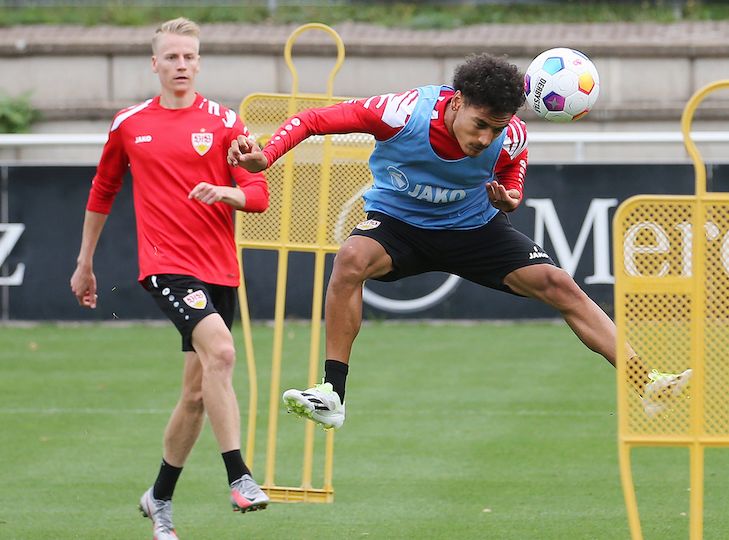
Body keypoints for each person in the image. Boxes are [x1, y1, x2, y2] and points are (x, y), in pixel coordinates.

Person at [227, 53, 691, 430]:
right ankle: (332, 394)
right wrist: (264, 155)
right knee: (350, 258)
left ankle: (646, 383)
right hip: (398, 223)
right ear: (456, 101)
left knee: (558, 283)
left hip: (471, 229)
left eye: (497, 127)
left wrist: (510, 200)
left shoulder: (510, 135)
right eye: (481, 124)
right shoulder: (403, 112)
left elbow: (513, 170)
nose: (486, 137)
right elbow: (313, 119)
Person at [69, 17, 270, 540]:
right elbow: (102, 190)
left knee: (198, 393)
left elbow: (259, 194)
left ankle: (158, 497)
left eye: (190, 56)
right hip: (165, 266)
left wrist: (226, 192)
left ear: (199, 62)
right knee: (222, 354)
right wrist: (84, 261)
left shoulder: (227, 122)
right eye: (172, 57)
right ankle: (239, 477)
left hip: (219, 269)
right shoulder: (130, 123)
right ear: (154, 64)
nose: (181, 65)